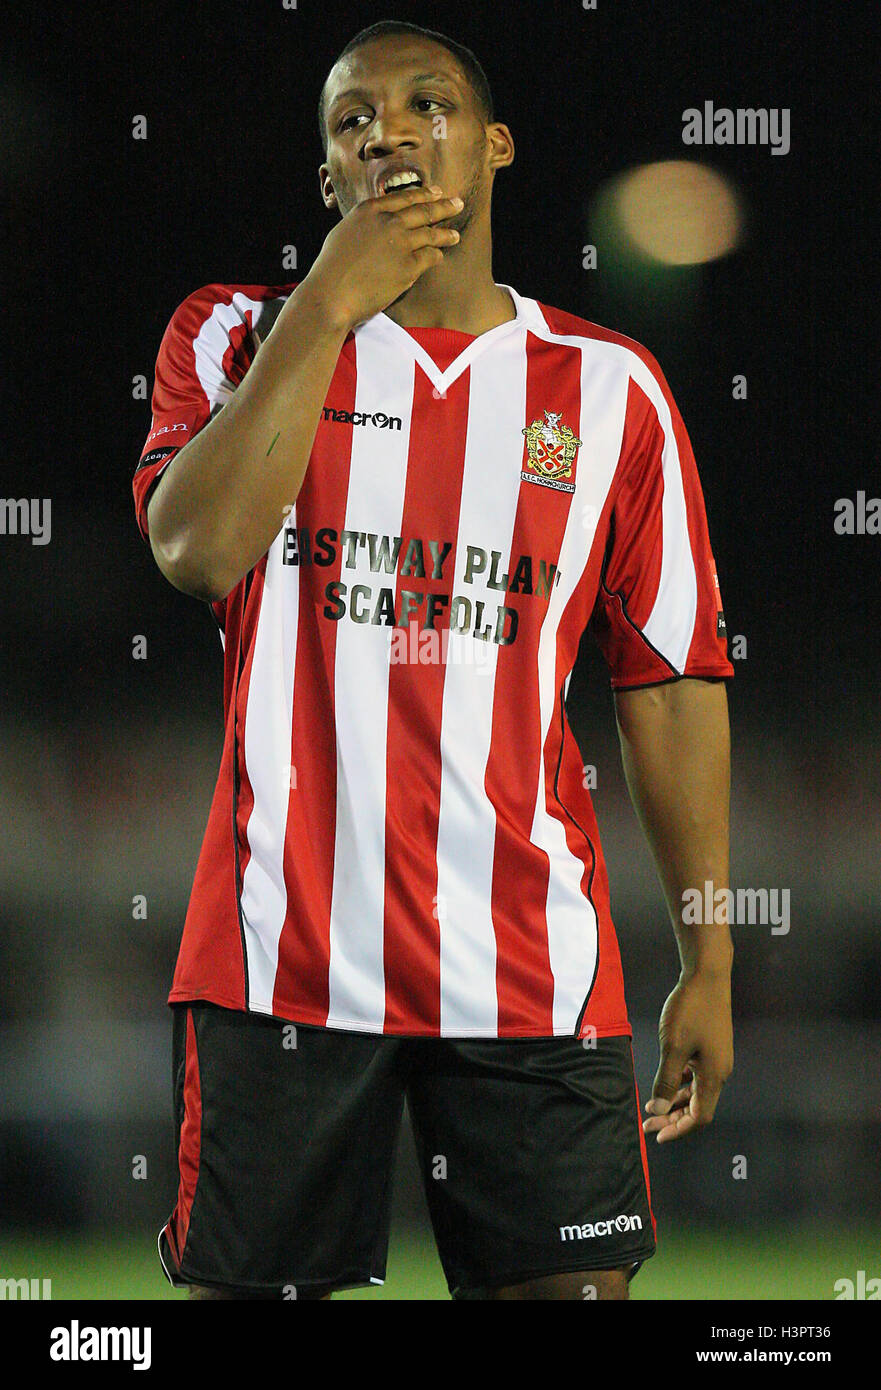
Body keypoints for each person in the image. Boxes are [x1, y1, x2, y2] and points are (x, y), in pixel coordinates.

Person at [133, 19, 734, 1301]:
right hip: (280, 958)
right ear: (326, 178)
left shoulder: (612, 388)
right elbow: (195, 548)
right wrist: (329, 303)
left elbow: (670, 682)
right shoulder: (233, 334)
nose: (388, 133)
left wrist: (711, 954)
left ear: (494, 148)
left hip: (531, 963)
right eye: (351, 121)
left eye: (428, 107)